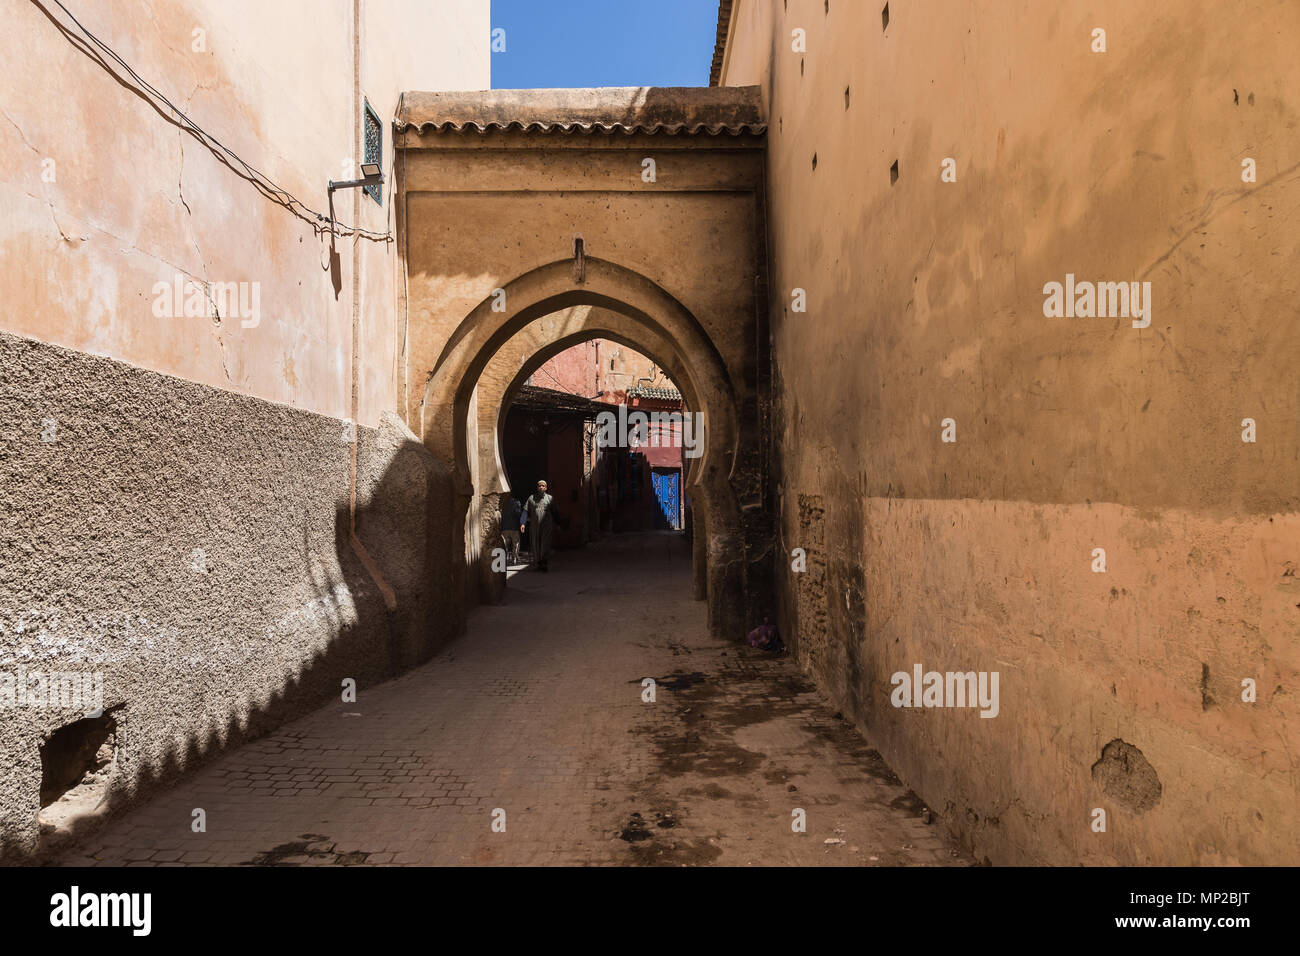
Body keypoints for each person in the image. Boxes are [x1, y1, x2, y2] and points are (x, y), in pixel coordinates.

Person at [524, 479, 556, 571]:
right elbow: (526, 511)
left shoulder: (550, 498)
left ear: (546, 488)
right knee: (535, 544)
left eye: (543, 486)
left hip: (546, 526)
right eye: (539, 486)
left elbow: (555, 512)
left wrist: (559, 524)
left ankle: (544, 563)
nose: (541, 487)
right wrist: (523, 523)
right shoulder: (531, 498)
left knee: (545, 544)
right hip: (534, 526)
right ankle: (538, 563)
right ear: (537, 488)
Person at [501, 494, 523, 563]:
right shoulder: (516, 502)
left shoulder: (501, 502)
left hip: (504, 527)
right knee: (515, 543)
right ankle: (514, 558)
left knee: (505, 544)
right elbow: (518, 513)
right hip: (514, 527)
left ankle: (504, 559)